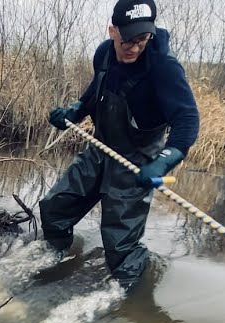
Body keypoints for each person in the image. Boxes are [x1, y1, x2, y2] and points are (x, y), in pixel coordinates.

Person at [39, 0, 199, 289]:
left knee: (119, 245)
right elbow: (96, 91)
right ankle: (53, 261)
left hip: (138, 160)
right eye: (128, 40)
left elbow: (187, 119)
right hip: (99, 149)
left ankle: (124, 303)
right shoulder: (103, 54)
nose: (134, 48)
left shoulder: (164, 67)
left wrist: (164, 159)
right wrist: (75, 111)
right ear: (112, 31)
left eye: (142, 39)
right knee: (54, 208)